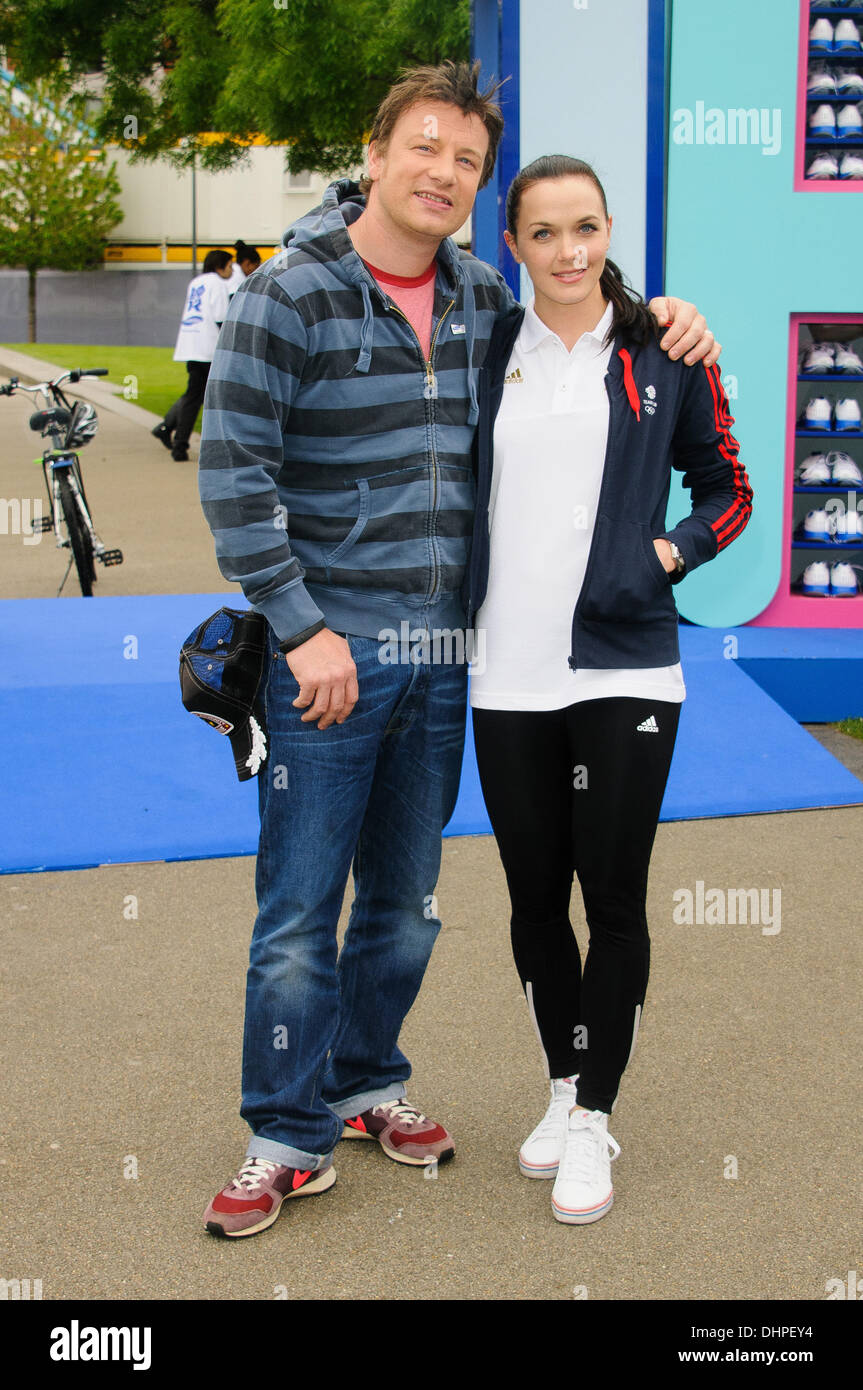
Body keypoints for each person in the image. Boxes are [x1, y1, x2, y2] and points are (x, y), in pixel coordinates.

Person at [196, 61, 721, 1239]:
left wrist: (673, 313)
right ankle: (284, 1132)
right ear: (375, 154)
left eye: (466, 161)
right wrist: (301, 627)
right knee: (296, 910)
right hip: (327, 656)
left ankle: (366, 1081)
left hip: (453, 658)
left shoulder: (487, 295)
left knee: (404, 904)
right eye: (422, 148)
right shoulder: (288, 293)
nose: (442, 172)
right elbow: (233, 477)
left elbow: (588, 298)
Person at [466, 155, 753, 1225]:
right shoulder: (487, 350)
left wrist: (664, 558)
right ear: (514, 246)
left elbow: (728, 489)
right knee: (533, 900)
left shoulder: (662, 349)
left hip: (625, 664)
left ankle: (594, 1115)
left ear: (607, 226)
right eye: (543, 233)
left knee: (612, 898)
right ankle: (559, 1080)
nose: (569, 250)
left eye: (584, 226)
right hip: (505, 671)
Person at [152, 249, 234, 461]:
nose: (231, 270)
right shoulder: (217, 283)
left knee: (194, 396)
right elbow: (220, 317)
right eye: (229, 265)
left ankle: (169, 430)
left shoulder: (196, 282)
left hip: (192, 344)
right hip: (208, 348)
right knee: (207, 397)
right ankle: (181, 444)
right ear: (220, 266)